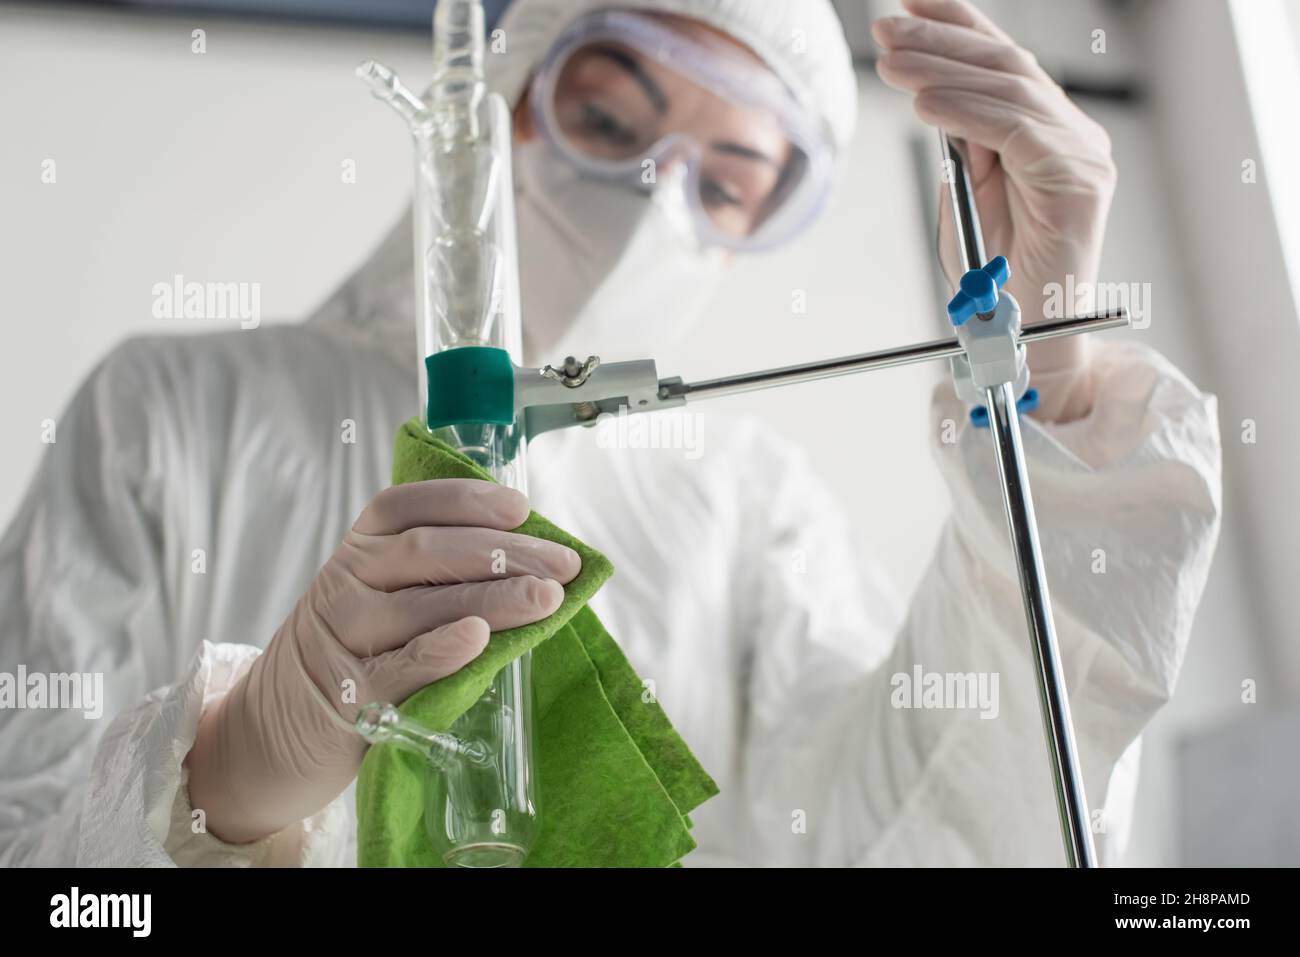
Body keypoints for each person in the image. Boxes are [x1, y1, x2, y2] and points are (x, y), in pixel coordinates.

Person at [0, 0, 1220, 867]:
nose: (652, 203)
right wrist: (222, 777)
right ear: (497, 116)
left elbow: (914, 833)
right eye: (607, 117)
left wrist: (1039, 372)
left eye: (725, 180)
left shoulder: (747, 506)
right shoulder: (170, 412)